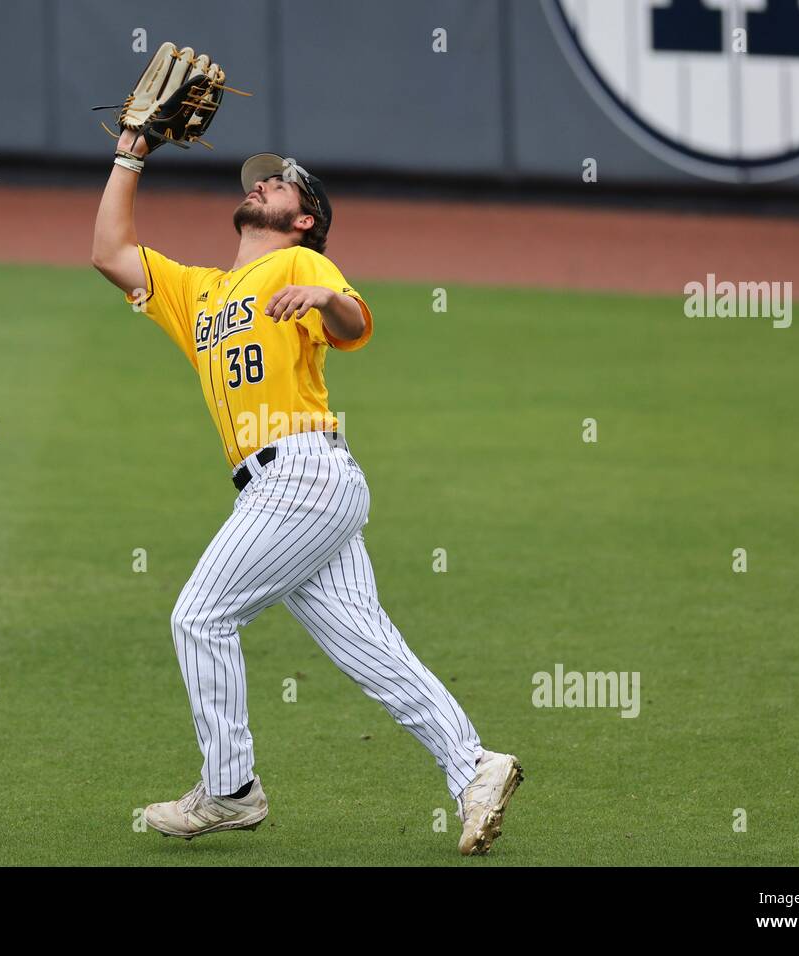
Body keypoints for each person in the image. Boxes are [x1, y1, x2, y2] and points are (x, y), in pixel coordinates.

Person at [90, 129, 523, 855]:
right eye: (258, 179)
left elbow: (354, 321)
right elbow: (109, 254)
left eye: (280, 183)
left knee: (199, 617)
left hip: (299, 476)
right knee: (367, 645)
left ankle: (229, 790)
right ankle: (475, 767)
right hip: (301, 487)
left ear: (304, 218)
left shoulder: (300, 260)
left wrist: (325, 293)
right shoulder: (200, 291)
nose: (259, 184)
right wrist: (132, 152)